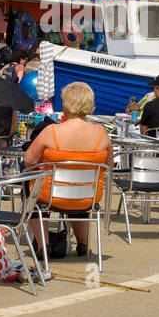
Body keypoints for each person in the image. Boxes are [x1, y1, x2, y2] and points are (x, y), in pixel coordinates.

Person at [23, 82, 112, 258]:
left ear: (65, 105)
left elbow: (28, 161)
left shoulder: (51, 131)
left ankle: (43, 245)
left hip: (51, 196)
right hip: (86, 198)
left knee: (30, 184)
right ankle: (82, 244)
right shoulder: (101, 133)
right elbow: (108, 164)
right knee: (81, 185)